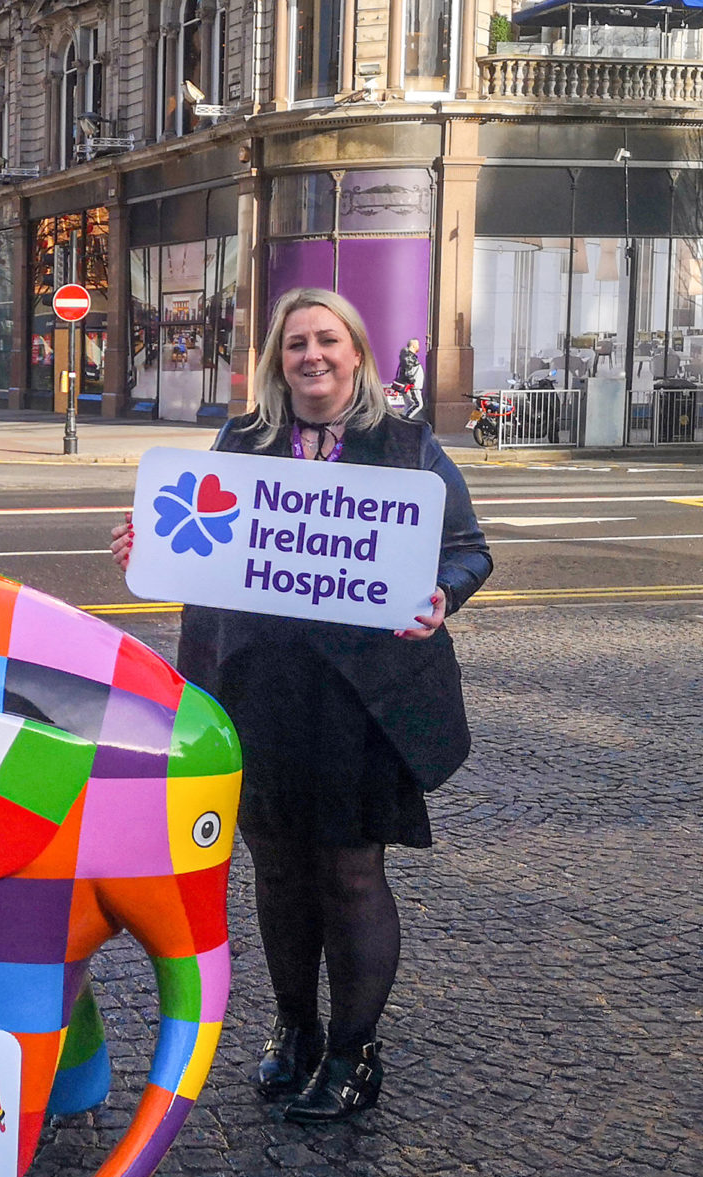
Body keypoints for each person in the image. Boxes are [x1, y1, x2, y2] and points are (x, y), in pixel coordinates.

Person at [109, 288, 491, 1124]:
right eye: (294, 345)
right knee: (276, 869)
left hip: (360, 700)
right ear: (277, 362)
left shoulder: (406, 444)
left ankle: (357, 1051)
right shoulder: (242, 441)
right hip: (255, 691)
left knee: (350, 872)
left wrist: (441, 596)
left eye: (327, 341)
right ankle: (296, 1031)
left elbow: (467, 550)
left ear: (356, 352)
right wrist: (150, 547)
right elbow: (197, 546)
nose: (311, 356)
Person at [395, 338, 423, 420]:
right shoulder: (409, 357)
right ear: (414, 346)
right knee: (418, 404)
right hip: (412, 387)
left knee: (409, 406)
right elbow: (408, 372)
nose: (419, 346)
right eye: (418, 345)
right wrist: (412, 382)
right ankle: (404, 422)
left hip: (410, 386)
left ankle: (402, 422)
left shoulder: (407, 356)